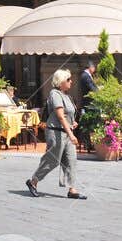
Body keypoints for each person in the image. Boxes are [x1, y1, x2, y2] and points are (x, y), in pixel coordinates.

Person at [25, 69, 85, 199]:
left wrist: (73, 122)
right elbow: (60, 117)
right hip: (56, 132)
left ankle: (72, 189)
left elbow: (68, 116)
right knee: (53, 159)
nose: (71, 81)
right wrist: (72, 134)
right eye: (68, 79)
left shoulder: (68, 96)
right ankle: (33, 181)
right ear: (61, 81)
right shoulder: (55, 94)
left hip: (67, 131)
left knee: (71, 159)